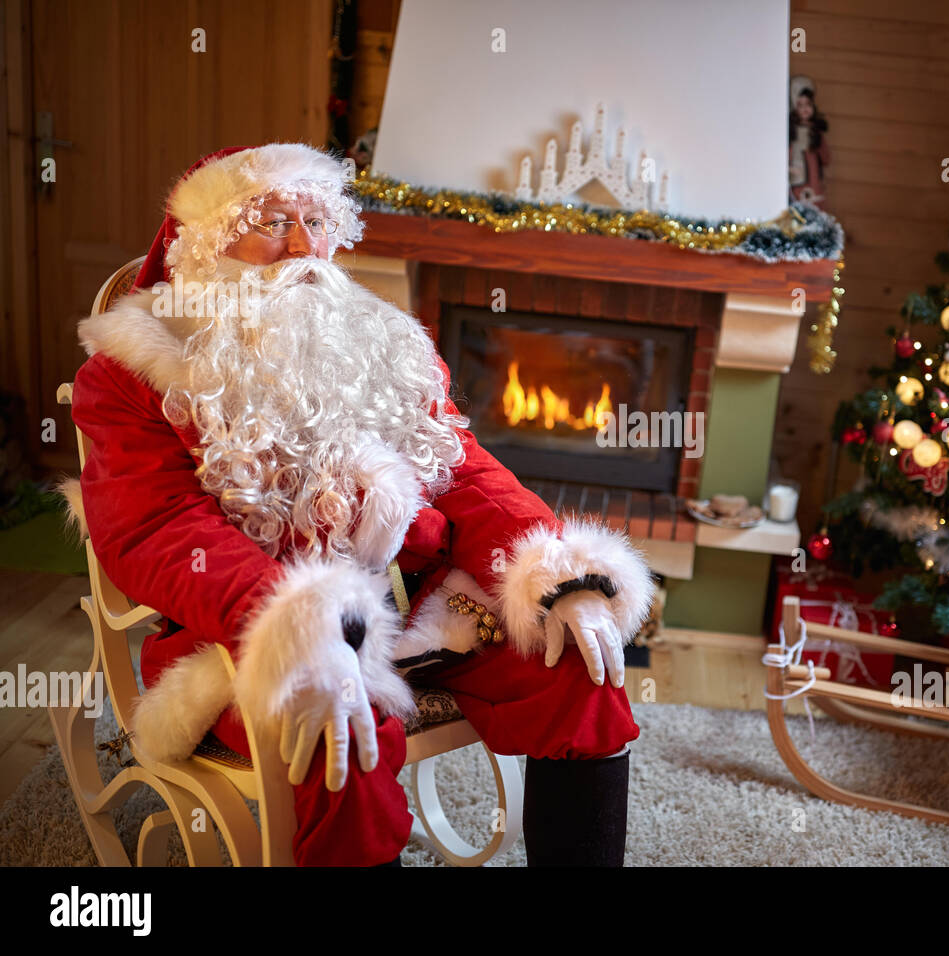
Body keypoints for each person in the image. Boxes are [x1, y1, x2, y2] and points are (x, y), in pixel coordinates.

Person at [64, 142, 655, 866]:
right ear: (204, 244)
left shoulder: (376, 342)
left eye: (317, 220)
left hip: (424, 609)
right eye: (274, 220)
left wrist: (555, 569)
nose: (304, 247)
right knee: (340, 728)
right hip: (246, 631)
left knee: (577, 669)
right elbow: (156, 529)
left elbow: (462, 473)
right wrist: (302, 630)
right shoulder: (130, 373)